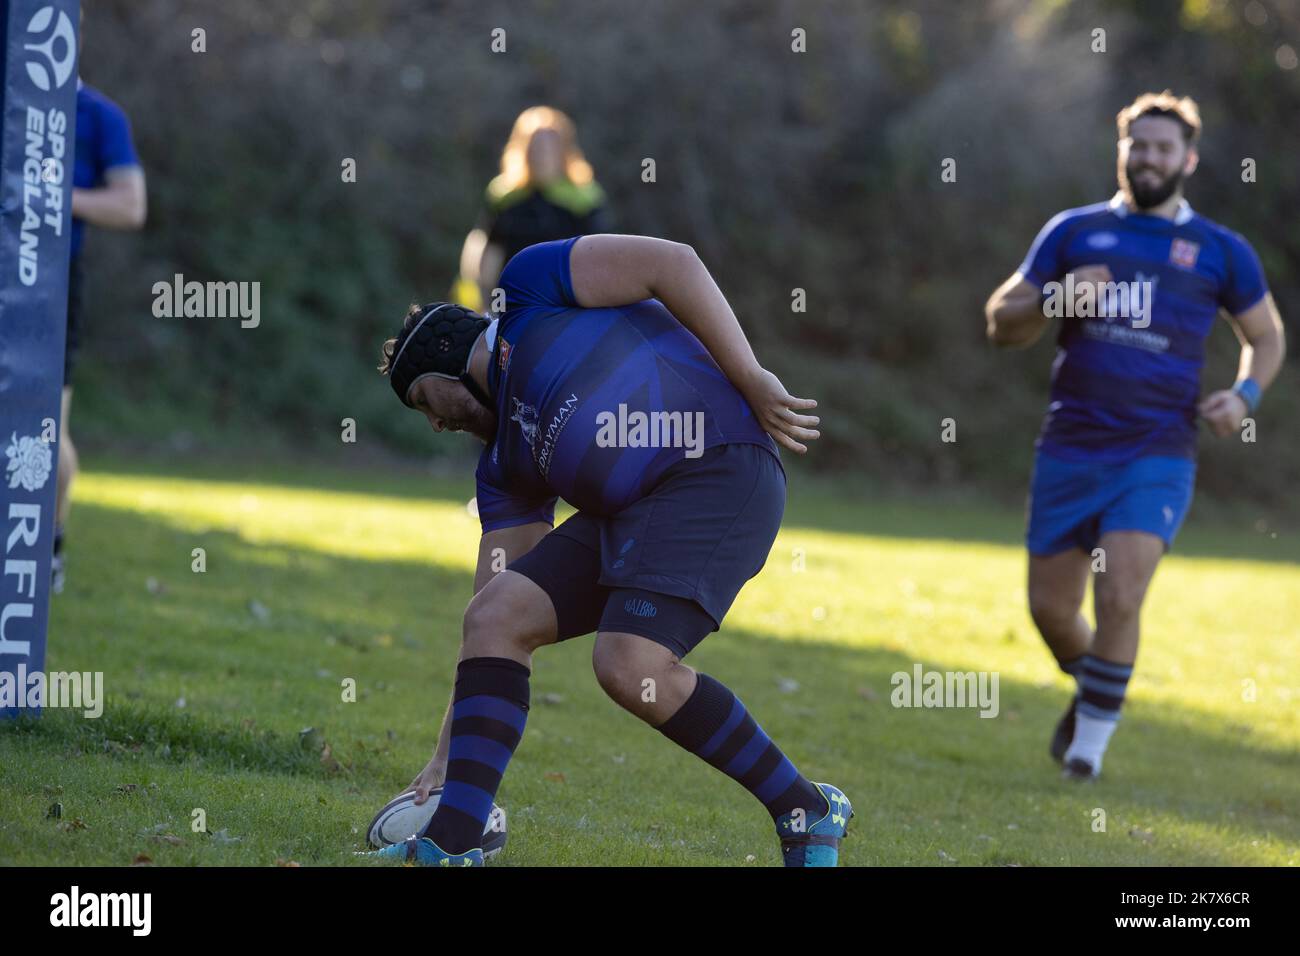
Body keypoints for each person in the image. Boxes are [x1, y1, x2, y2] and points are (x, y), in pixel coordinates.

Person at [372, 234, 852, 866]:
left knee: (630, 666)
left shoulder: (528, 287)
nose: (435, 424)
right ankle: (452, 845)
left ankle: (806, 810)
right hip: (630, 516)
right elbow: (487, 620)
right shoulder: (503, 468)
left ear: (444, 364)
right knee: (496, 617)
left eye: (426, 403)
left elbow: (671, 264)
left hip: (719, 469)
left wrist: (753, 378)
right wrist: (445, 753)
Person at [984, 91, 1285, 780]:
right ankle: (1096, 691)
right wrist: (1059, 294)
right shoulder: (1074, 231)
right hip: (1069, 443)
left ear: (1188, 159)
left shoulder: (1220, 250)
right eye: (1137, 146)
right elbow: (1001, 322)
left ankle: (1085, 757)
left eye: (1162, 147)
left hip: (1158, 450)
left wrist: (1244, 396)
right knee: (1051, 611)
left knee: (1119, 594)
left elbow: (1266, 336)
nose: (1148, 158)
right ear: (1122, 152)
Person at [54, 12, 147, 592]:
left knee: (46, 426)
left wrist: (57, 197)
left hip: (50, 288)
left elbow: (130, 207)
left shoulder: (99, 116)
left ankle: (52, 544)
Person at [451, 106, 611, 312]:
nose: (541, 156)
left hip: (567, 306)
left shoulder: (585, 198)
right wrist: (484, 302)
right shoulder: (504, 196)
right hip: (513, 305)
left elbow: (599, 259)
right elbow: (486, 252)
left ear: (563, 152)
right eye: (535, 148)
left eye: (548, 149)